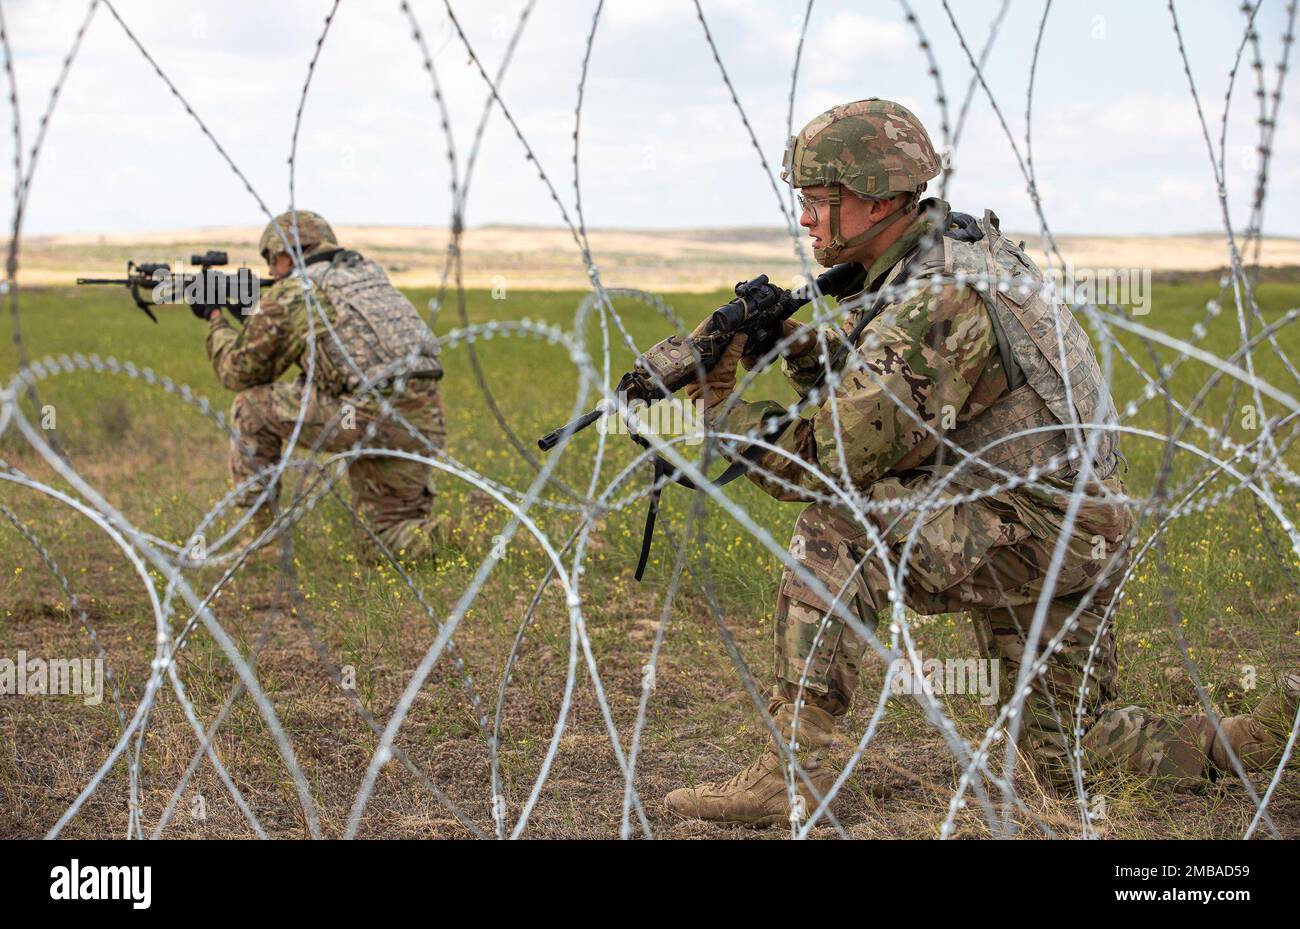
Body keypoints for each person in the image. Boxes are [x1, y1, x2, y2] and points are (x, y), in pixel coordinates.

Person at [664, 98, 1298, 826]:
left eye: (817, 200)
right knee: (1069, 755)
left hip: (1035, 525)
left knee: (840, 528)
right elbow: (899, 385)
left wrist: (718, 407)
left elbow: (831, 462)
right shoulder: (951, 255)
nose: (804, 218)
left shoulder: (939, 297)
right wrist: (794, 344)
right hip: (1070, 519)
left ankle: (789, 774)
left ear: (877, 200)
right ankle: (1264, 737)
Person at [203, 209, 446, 563]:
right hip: (420, 416)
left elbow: (239, 372)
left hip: (364, 415)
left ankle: (263, 541)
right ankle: (472, 534)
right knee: (384, 540)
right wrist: (256, 315)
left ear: (287, 254)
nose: (270, 272)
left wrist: (214, 319)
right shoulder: (365, 275)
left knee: (250, 406)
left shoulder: (295, 291)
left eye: (271, 260)